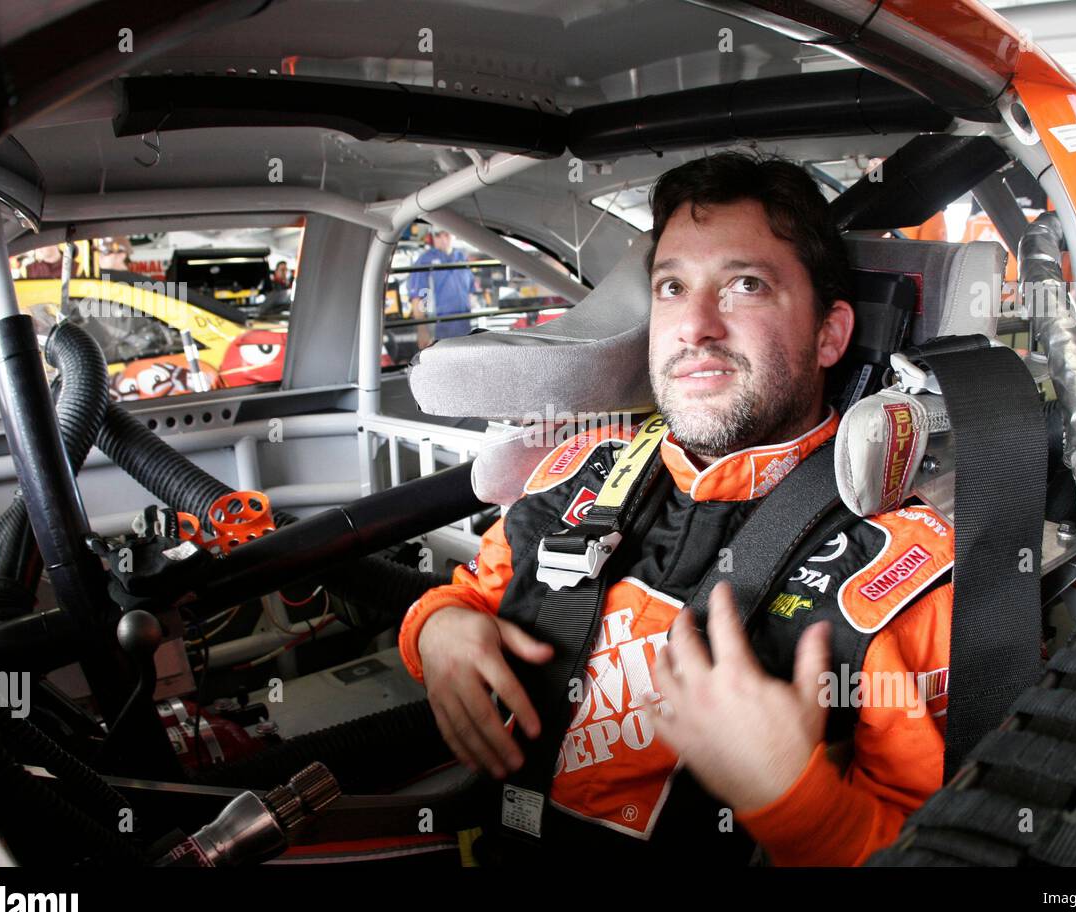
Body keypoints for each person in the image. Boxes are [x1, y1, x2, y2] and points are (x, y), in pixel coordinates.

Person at [398, 151, 954, 865]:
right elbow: (472, 594)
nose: (695, 325)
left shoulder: (903, 579)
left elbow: (949, 851)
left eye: (745, 285)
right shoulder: (578, 471)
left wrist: (795, 801)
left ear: (830, 335)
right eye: (671, 287)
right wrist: (437, 630)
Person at [407, 228, 476, 347]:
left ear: (453, 235)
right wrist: (422, 330)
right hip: (438, 329)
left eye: (446, 235)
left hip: (464, 327)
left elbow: (470, 292)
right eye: (438, 235)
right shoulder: (425, 260)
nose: (443, 239)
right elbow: (419, 298)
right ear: (432, 237)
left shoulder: (461, 258)